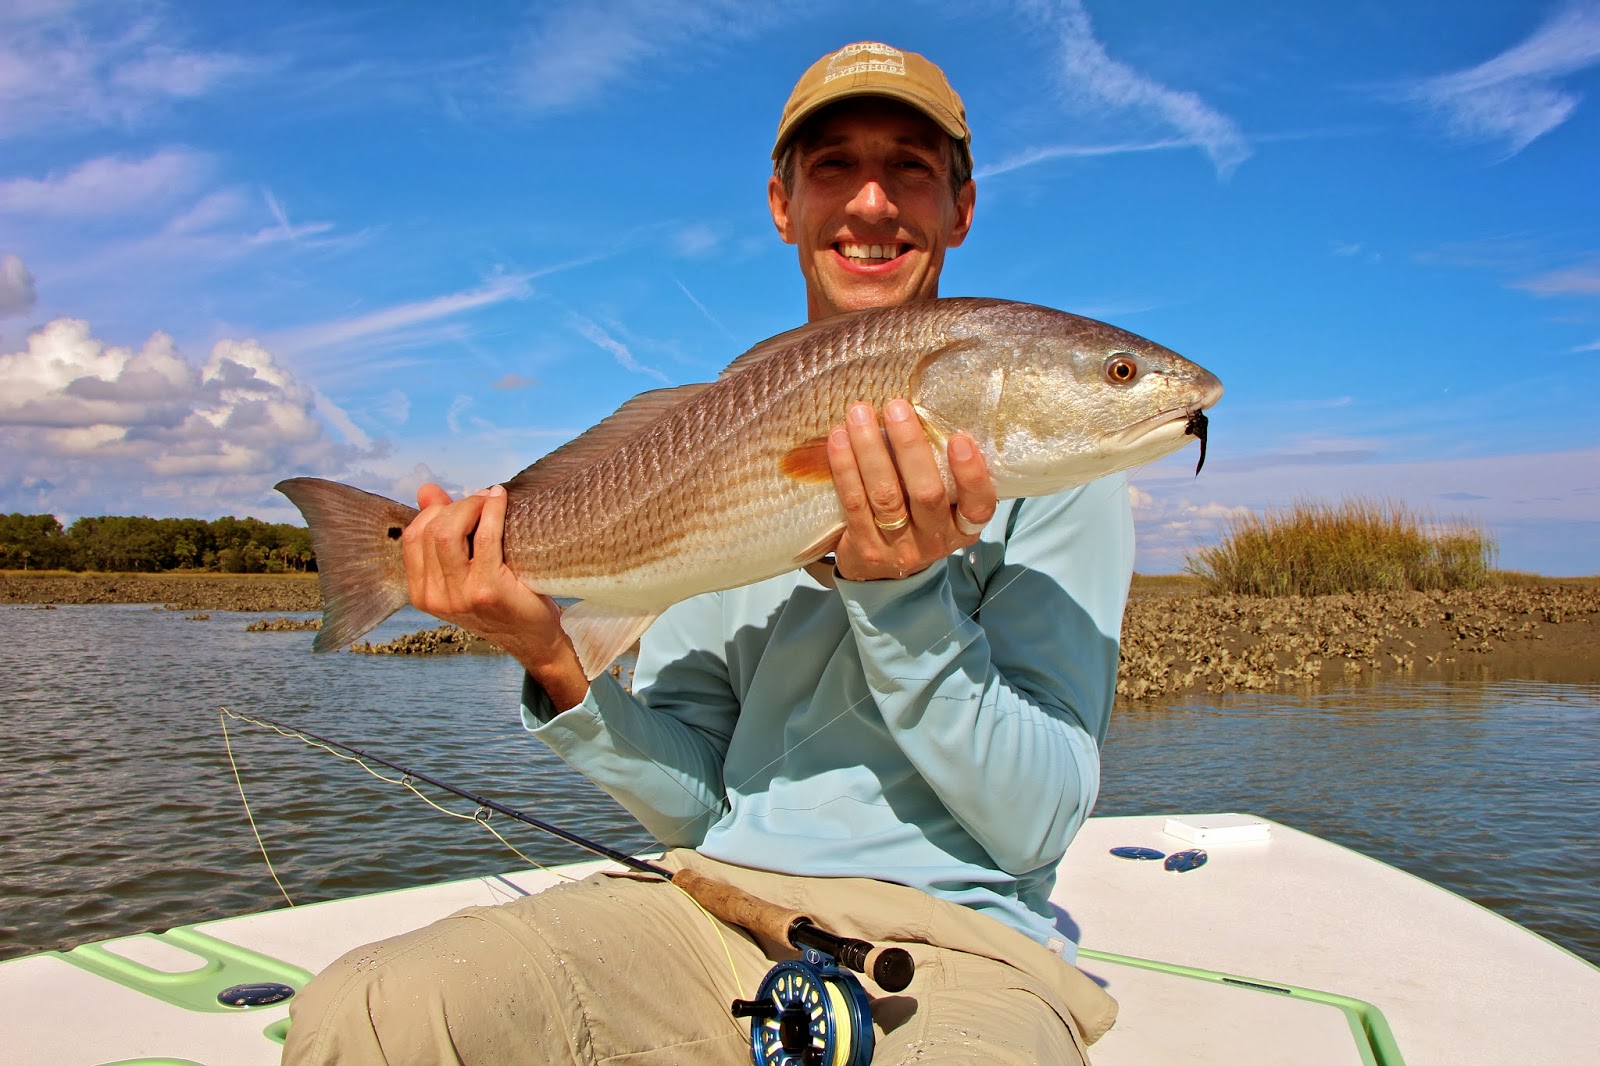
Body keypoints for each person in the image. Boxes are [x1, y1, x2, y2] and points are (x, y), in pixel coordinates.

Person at [283, 40, 1130, 1065]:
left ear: (961, 206)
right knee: (373, 1010)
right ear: (781, 202)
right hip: (707, 905)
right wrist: (552, 656)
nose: (871, 202)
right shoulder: (712, 424)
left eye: (910, 166)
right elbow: (698, 801)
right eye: (832, 167)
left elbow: (1035, 825)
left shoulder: (1068, 478)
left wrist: (905, 595)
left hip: (962, 949)